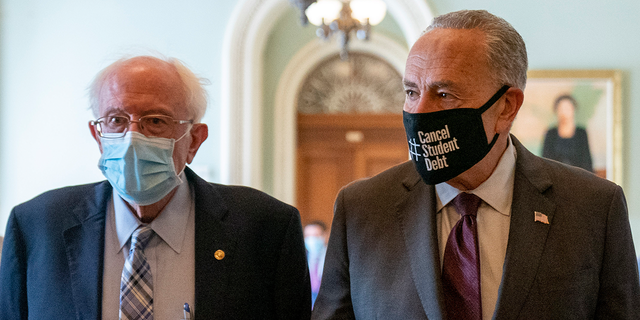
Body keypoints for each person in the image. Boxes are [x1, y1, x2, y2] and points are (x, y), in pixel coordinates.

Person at [312, 10, 640, 320]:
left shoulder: (594, 207)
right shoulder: (362, 209)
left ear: (506, 107)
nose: (420, 112)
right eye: (412, 92)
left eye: (443, 95)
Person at [0, 55, 311, 319]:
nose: (132, 137)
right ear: (97, 136)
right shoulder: (37, 226)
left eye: (156, 121)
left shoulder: (266, 228)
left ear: (194, 140)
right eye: (116, 119)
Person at [542, 94, 593, 172]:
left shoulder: (581, 133)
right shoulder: (551, 133)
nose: (564, 112)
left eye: (567, 108)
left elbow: (587, 162)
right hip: (555, 177)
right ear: (556, 111)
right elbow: (545, 161)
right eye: (561, 109)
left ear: (574, 110)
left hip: (579, 178)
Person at [304, 221, 328, 307]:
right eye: (308, 236)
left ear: (325, 235)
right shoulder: (301, 258)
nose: (312, 240)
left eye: (315, 236)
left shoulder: (334, 257)